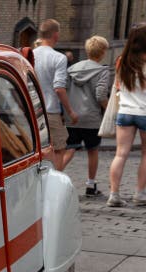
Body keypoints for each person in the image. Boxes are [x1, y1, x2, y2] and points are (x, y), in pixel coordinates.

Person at [63, 35, 110, 197]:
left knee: (69, 149)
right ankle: (91, 185)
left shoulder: (71, 69)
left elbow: (65, 89)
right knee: (93, 150)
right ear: (103, 52)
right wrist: (110, 109)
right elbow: (100, 95)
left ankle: (50, 178)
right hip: (91, 118)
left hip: (73, 116)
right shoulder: (102, 71)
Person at [107, 26, 146, 207]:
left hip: (125, 111)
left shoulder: (121, 61)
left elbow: (117, 86)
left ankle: (114, 194)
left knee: (120, 154)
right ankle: (139, 194)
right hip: (144, 113)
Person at [33, 19, 78, 171]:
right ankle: (54, 183)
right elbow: (59, 88)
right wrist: (70, 111)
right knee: (59, 149)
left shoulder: (29, 55)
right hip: (50, 110)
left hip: (31, 110)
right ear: (56, 36)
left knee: (38, 150)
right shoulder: (59, 58)